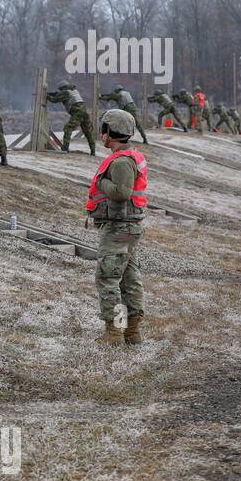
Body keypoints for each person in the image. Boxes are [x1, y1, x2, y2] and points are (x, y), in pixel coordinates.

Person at [86, 108, 147, 346]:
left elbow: (122, 193)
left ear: (110, 132)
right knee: (129, 278)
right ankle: (132, 331)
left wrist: (101, 181)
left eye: (103, 130)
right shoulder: (130, 156)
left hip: (119, 228)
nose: (101, 135)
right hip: (128, 227)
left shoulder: (121, 162)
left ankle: (114, 333)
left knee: (108, 277)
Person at [46, 80, 97, 155]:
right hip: (85, 112)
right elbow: (60, 95)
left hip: (78, 113)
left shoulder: (65, 92)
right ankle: (93, 151)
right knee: (88, 132)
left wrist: (47, 96)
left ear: (62, 88)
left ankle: (65, 148)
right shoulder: (74, 91)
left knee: (68, 128)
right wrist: (55, 94)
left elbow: (54, 100)